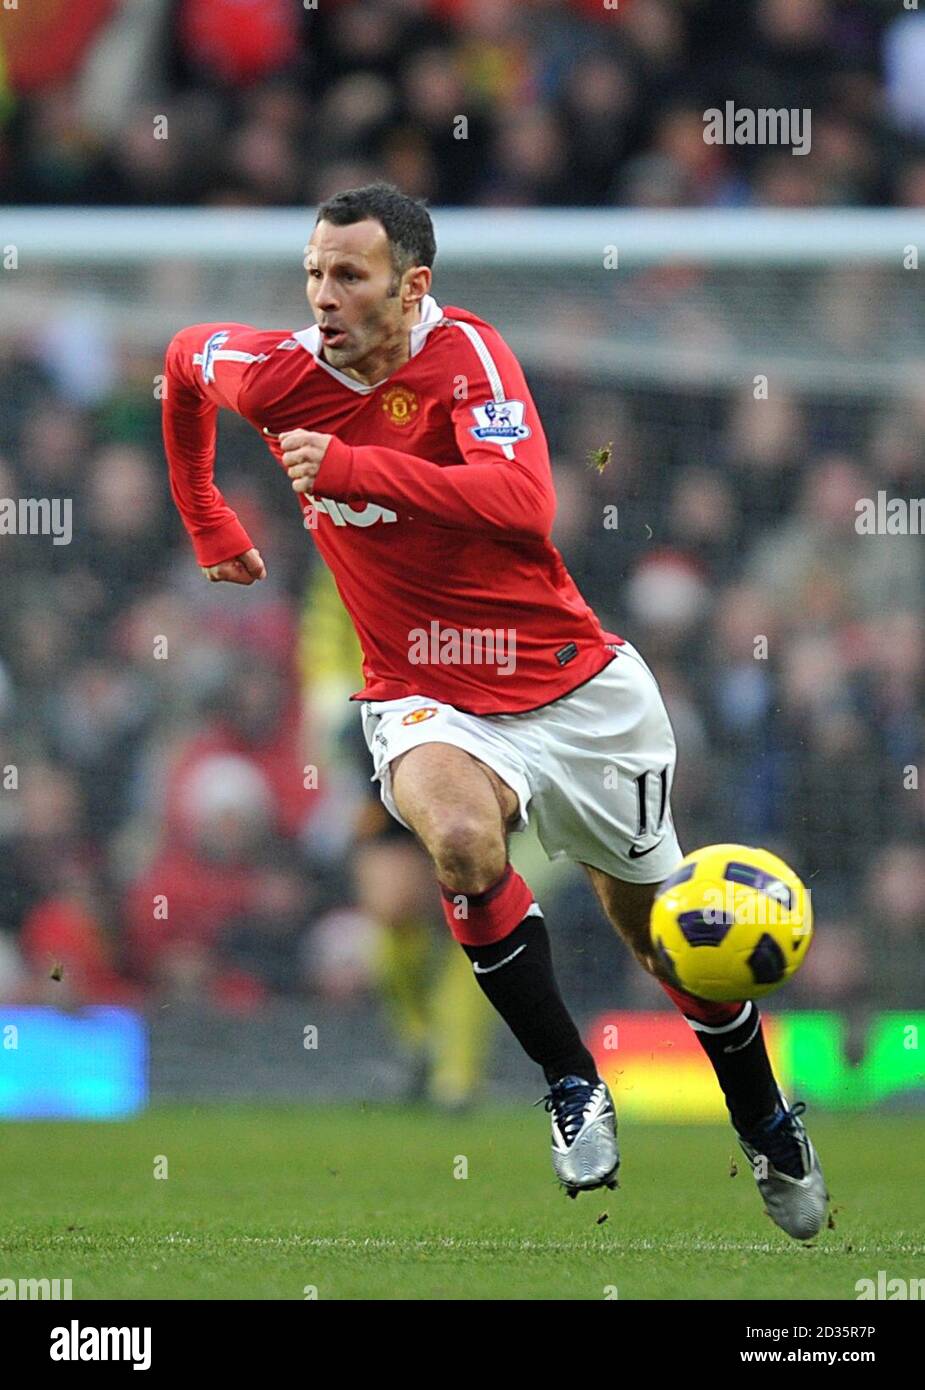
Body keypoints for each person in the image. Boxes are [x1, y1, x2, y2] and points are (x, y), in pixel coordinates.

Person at [162, 181, 826, 1235]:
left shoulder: (466, 357)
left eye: (349, 275)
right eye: (313, 274)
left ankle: (762, 1121)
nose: (322, 296)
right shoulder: (276, 372)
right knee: (464, 843)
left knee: (662, 938)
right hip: (421, 689)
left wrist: (351, 465)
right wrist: (205, 517)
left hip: (572, 687)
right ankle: (570, 1082)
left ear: (411, 284)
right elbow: (184, 362)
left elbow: (524, 501)